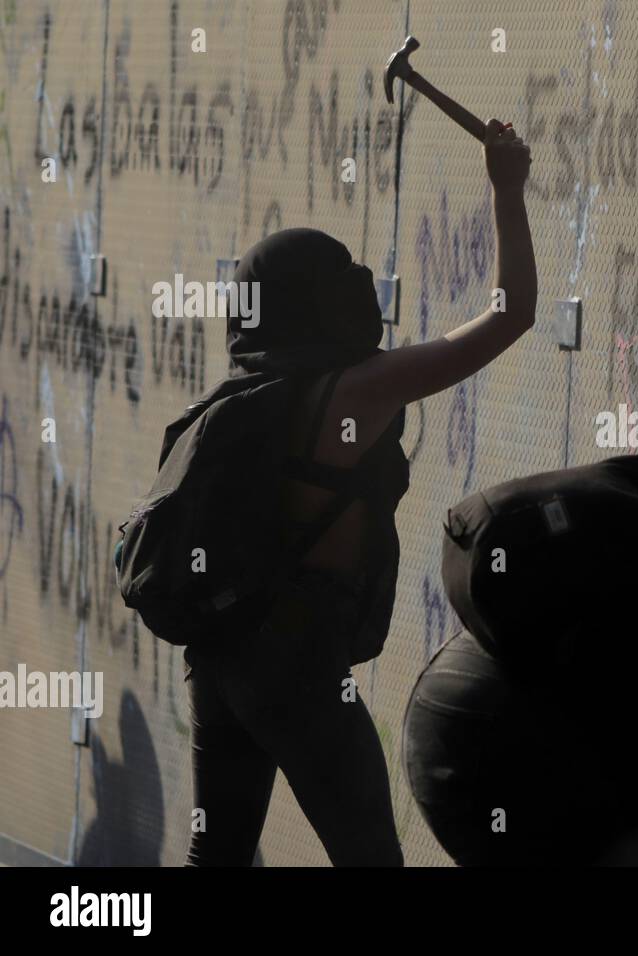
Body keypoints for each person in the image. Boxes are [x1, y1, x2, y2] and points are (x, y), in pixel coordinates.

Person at [183, 119, 534, 866]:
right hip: (297, 665)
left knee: (216, 857)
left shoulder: (242, 399)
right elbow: (513, 313)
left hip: (217, 650)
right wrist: (507, 189)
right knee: (371, 856)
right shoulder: (352, 392)